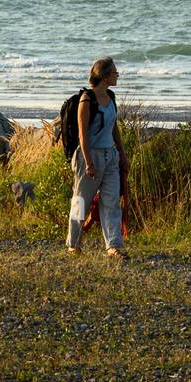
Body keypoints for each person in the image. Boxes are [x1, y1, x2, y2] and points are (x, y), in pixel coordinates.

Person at [67, 57, 127, 258]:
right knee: (80, 202)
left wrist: (122, 154)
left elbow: (114, 128)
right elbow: (83, 134)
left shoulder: (110, 97)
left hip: (110, 156)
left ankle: (113, 246)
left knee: (111, 201)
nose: (117, 76)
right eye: (114, 73)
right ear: (104, 76)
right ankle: (73, 244)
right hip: (89, 157)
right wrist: (89, 163)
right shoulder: (86, 100)